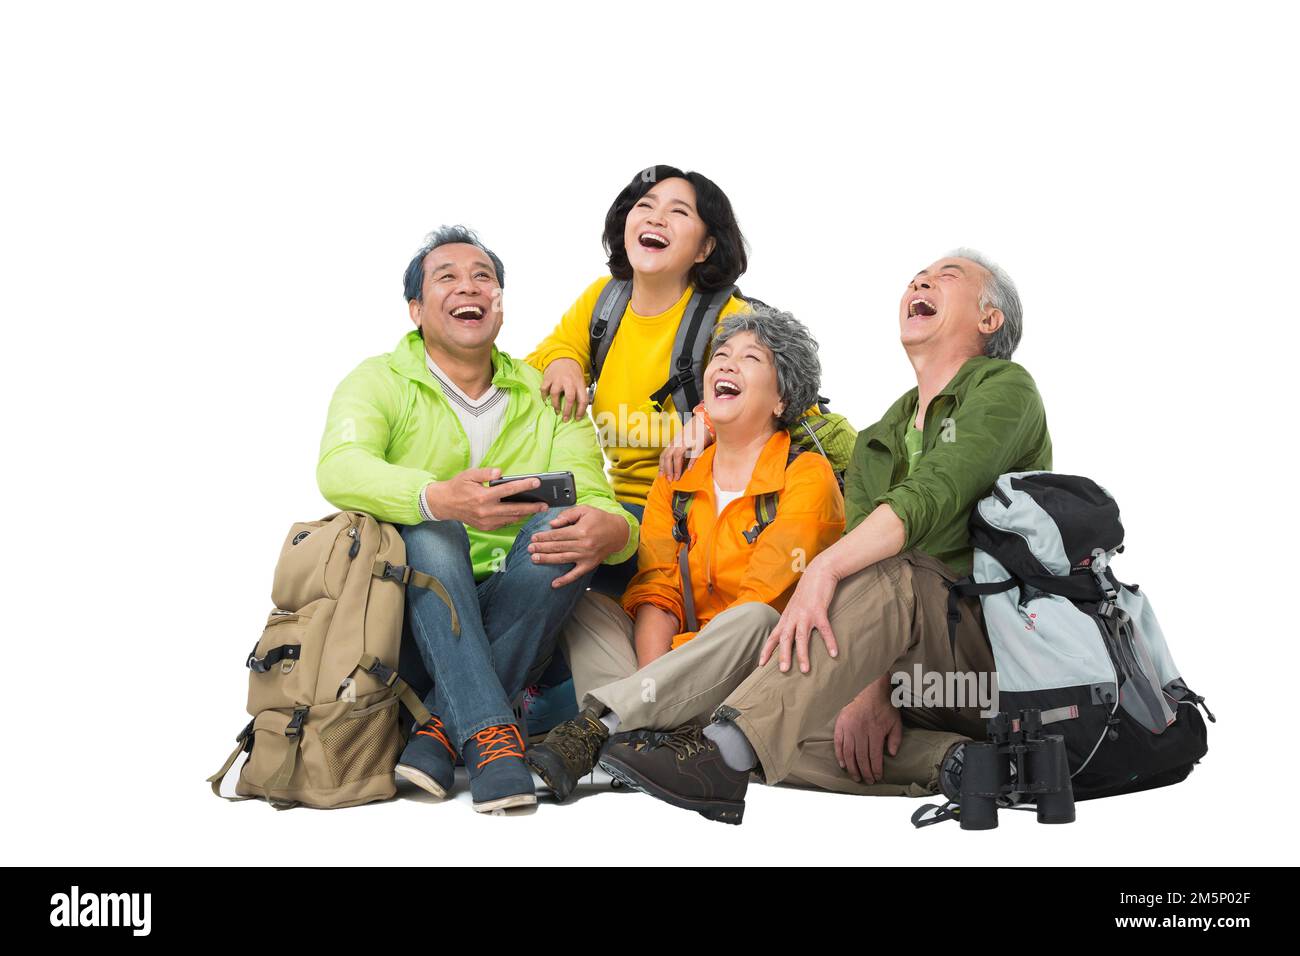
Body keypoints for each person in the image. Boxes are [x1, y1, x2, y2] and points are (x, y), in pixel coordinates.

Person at [597, 250, 1053, 824]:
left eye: (947, 276)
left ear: (989, 321)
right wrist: (871, 692)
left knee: (886, 574)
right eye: (918, 275)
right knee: (797, 728)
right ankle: (963, 764)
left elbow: (931, 494)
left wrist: (823, 569)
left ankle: (719, 756)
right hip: (910, 677)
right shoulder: (884, 433)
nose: (921, 280)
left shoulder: (1006, 390)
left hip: (987, 661)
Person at [316, 226, 638, 814]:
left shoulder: (546, 395)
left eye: (483, 276)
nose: (470, 286)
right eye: (448, 277)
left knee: (562, 530)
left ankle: (443, 732)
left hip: (528, 604)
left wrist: (614, 531)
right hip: (416, 619)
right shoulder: (379, 380)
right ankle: (492, 736)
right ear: (416, 308)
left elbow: (594, 494)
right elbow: (340, 467)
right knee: (434, 536)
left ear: (499, 302)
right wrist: (437, 498)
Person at [523, 307, 845, 803]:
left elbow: (763, 602)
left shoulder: (807, 477)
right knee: (580, 600)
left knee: (757, 616)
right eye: (721, 355)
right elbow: (658, 589)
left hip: (751, 672)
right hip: (674, 672)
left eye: (750, 358)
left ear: (781, 399)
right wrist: (656, 688)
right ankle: (644, 740)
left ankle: (599, 729)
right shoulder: (675, 478)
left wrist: (663, 680)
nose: (727, 365)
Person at [525, 165, 751, 597]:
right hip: (617, 508)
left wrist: (706, 419)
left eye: (679, 212)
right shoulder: (605, 301)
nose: (655, 218)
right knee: (544, 553)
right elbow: (541, 359)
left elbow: (780, 396)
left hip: (699, 515)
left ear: (705, 247)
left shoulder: (728, 318)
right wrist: (564, 361)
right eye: (644, 206)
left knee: (557, 557)